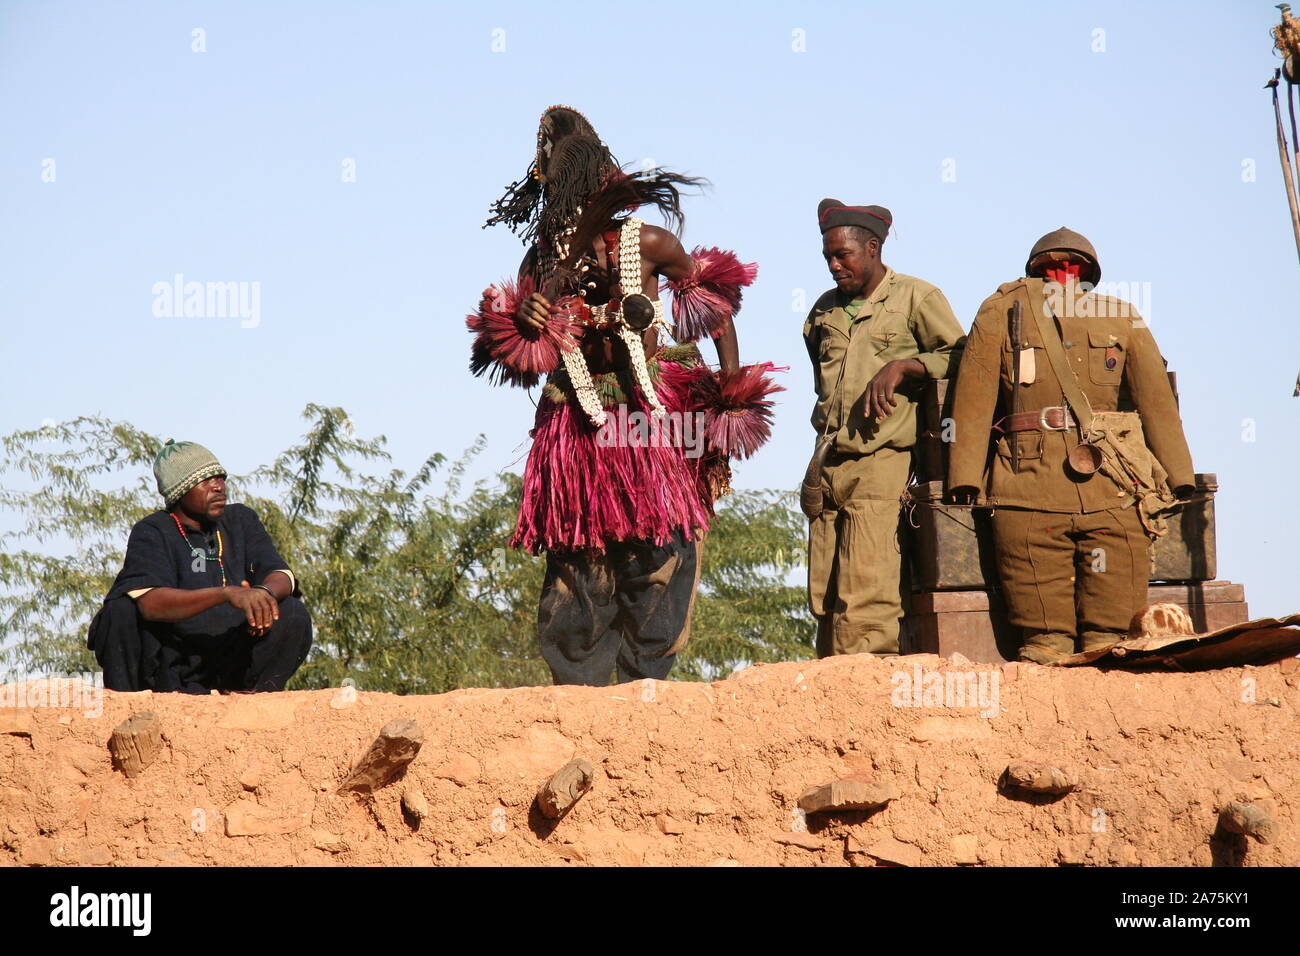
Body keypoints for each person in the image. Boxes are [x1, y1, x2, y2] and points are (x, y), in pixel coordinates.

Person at [468, 106, 778, 686]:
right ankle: (581, 697)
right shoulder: (541, 262)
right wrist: (522, 318)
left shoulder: (651, 242)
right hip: (578, 433)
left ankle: (646, 694)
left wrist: (730, 396)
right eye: (562, 191)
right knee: (581, 562)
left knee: (658, 556)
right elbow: (495, 356)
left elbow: (717, 311)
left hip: (652, 423)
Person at [947, 228, 1195, 664]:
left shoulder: (1007, 309)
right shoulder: (1013, 312)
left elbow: (972, 402)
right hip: (1084, 495)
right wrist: (1180, 480)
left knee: (1060, 639)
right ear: (1089, 271)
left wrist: (966, 479)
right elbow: (1159, 407)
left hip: (1052, 491)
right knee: (1097, 638)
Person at [803, 199, 965, 657]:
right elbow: (822, 380)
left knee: (867, 596)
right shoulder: (822, 312)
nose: (835, 266)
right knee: (826, 595)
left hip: (883, 461)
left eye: (844, 255)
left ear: (872, 248)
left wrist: (906, 365)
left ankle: (870, 698)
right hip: (830, 463)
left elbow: (962, 356)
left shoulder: (917, 297)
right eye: (828, 257)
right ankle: (830, 705)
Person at [88, 440, 312, 692]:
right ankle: (127, 705)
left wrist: (264, 594)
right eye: (205, 481)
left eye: (220, 478)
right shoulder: (153, 530)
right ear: (180, 491)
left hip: (233, 655)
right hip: (173, 664)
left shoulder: (241, 520)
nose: (218, 487)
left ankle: (254, 701)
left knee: (292, 610)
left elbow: (281, 574)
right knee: (121, 609)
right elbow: (150, 604)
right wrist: (226, 594)